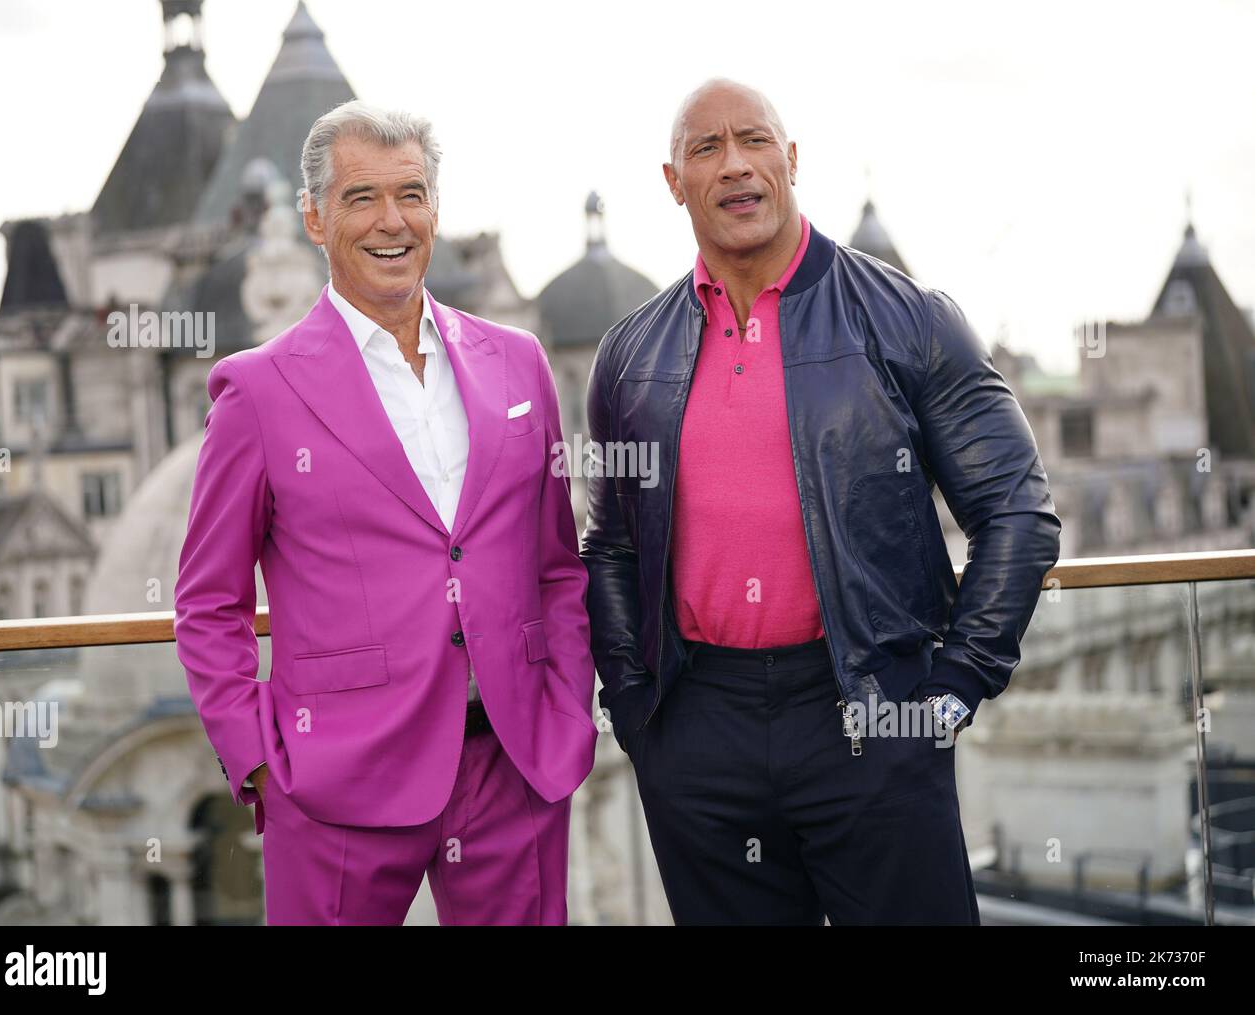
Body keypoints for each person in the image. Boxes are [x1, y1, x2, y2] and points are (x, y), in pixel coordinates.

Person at [581, 78, 1061, 925]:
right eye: (707, 148)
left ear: (791, 159)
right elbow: (611, 546)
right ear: (673, 181)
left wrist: (954, 688)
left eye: (755, 140)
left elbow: (1018, 511)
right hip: (700, 727)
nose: (736, 165)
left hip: (874, 711)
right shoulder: (628, 352)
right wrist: (637, 713)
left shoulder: (909, 317)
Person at [174, 100, 595, 925]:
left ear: (435, 209)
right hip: (337, 784)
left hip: (513, 765)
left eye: (411, 194)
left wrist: (567, 706)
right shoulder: (257, 391)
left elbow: (556, 565)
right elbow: (207, 603)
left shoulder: (518, 363)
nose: (391, 221)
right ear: (314, 218)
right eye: (361, 197)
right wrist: (259, 763)